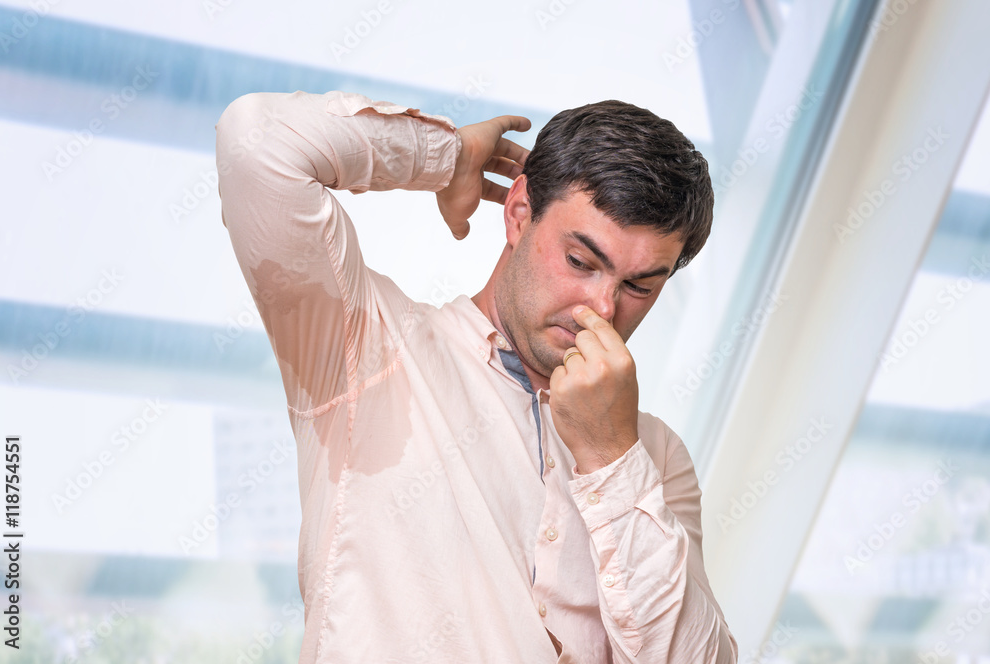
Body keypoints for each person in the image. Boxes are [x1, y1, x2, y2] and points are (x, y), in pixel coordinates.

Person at [215, 88, 738, 663]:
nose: (603, 308)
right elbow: (257, 144)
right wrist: (447, 155)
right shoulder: (369, 348)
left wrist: (612, 460)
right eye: (581, 262)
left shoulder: (654, 456)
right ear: (518, 215)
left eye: (639, 285)